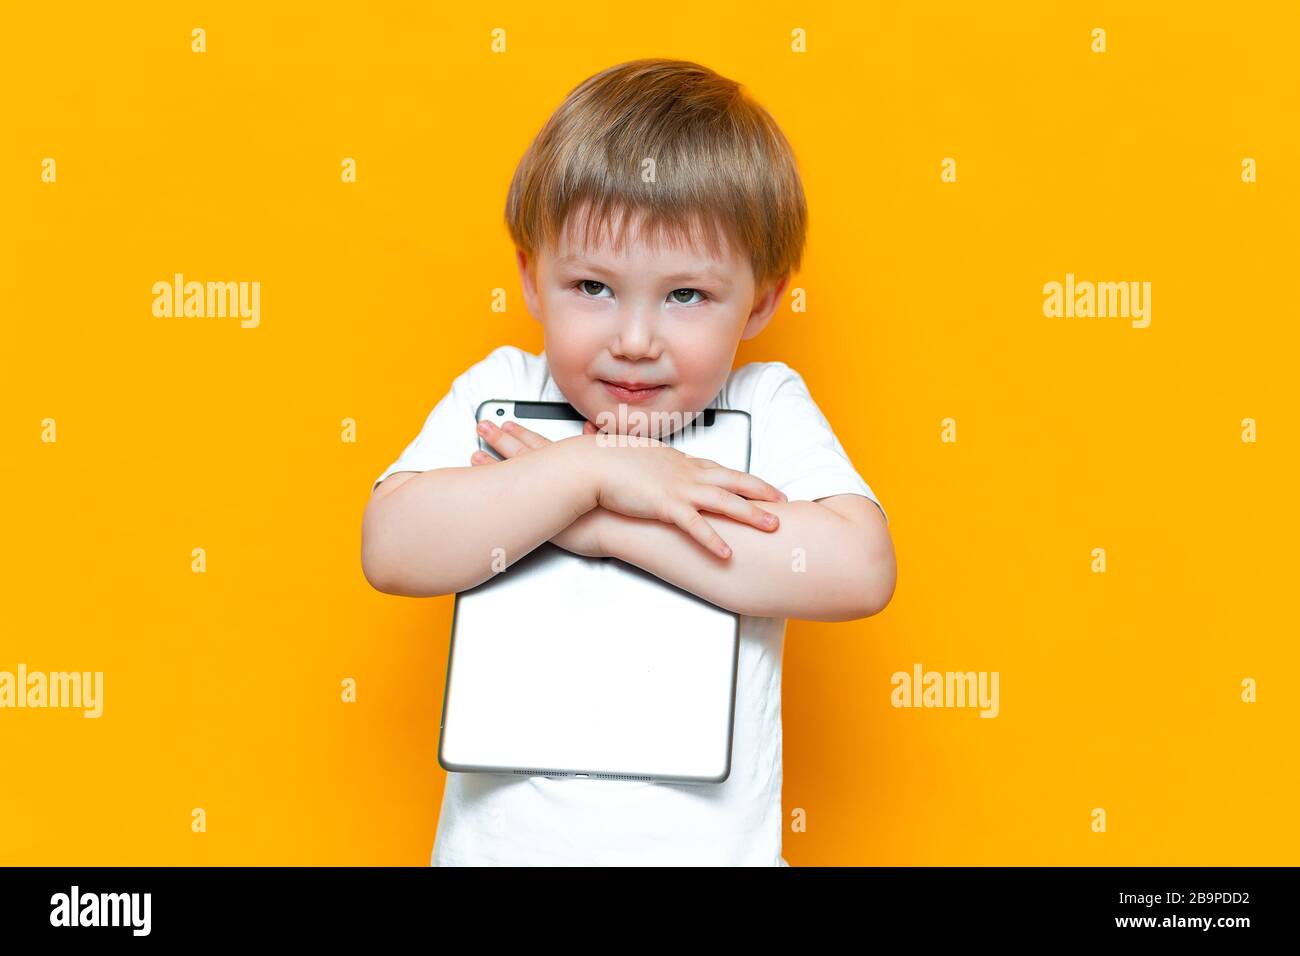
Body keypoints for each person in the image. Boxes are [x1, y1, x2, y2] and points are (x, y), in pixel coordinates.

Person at [361, 58, 896, 865]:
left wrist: (603, 526)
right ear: (532, 279)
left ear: (760, 302)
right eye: (592, 286)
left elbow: (859, 569)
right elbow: (392, 547)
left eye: (685, 296)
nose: (635, 340)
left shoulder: (766, 406)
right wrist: (593, 468)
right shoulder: (502, 391)